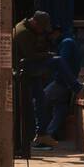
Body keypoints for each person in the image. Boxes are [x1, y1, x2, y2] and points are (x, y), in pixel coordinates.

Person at [12, 11, 61, 152]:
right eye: (41, 28)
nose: (42, 32)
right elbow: (31, 55)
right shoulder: (23, 32)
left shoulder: (29, 30)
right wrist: (47, 55)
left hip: (29, 72)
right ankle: (33, 137)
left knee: (40, 100)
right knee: (29, 104)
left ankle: (40, 134)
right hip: (24, 72)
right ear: (35, 23)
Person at [41, 25, 84, 142]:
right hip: (67, 82)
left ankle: (42, 135)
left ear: (56, 32)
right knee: (60, 108)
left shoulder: (66, 43)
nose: (50, 37)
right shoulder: (66, 42)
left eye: (51, 34)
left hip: (62, 81)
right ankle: (50, 133)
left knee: (40, 101)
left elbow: (63, 61)